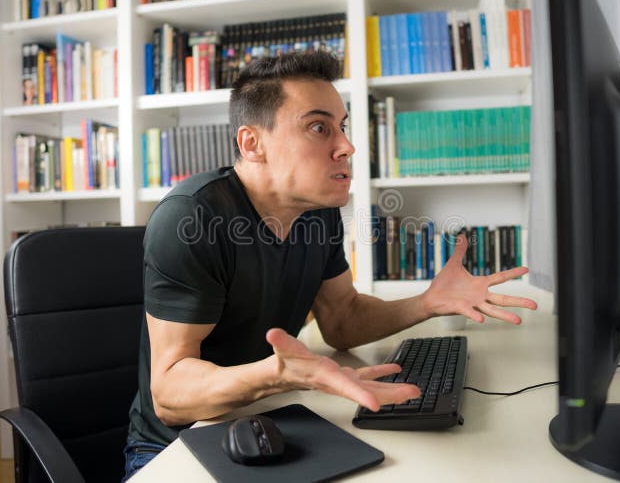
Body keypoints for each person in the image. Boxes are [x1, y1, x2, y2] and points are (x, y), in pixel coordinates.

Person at [122, 51, 537, 480]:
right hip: (174, 450)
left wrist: (427, 303)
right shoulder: (192, 218)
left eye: (342, 127)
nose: (347, 146)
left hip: (266, 419)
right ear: (252, 143)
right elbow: (169, 394)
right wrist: (280, 374)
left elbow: (342, 319)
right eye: (319, 127)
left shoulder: (316, 213)